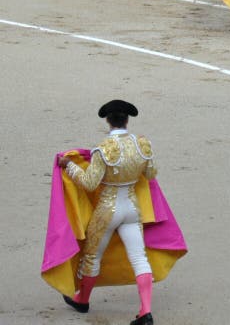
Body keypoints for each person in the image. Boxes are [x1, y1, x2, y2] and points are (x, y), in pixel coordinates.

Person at [56, 100, 159, 325]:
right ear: (127, 120)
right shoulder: (142, 145)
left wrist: (69, 166)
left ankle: (82, 300)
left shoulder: (104, 150)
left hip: (108, 210)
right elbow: (151, 174)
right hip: (132, 208)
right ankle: (146, 311)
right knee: (140, 258)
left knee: (92, 257)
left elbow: (89, 183)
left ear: (107, 120)